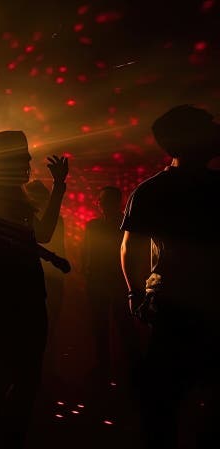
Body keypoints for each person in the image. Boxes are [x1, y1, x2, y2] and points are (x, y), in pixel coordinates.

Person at [121, 105, 220, 449]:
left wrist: (135, 294)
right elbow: (131, 248)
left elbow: (129, 248)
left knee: (164, 398)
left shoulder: (152, 190)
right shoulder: (161, 190)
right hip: (186, 305)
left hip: (173, 304)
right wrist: (136, 293)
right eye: (209, 127)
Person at [0, 130, 68, 449]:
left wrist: (58, 188)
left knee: (9, 374)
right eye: (22, 154)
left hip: (2, 294)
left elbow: (33, 238)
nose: (29, 159)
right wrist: (58, 188)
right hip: (12, 295)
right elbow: (38, 236)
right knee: (20, 376)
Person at [84, 186, 138, 388]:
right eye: (101, 201)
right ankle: (117, 368)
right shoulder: (95, 226)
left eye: (104, 201)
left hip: (115, 282)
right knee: (104, 326)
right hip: (102, 281)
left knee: (120, 326)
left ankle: (127, 368)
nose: (101, 204)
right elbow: (86, 252)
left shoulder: (120, 225)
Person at [25, 179, 66, 378]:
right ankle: (44, 368)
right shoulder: (48, 218)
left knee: (47, 324)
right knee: (44, 325)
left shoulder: (31, 217)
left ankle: (45, 367)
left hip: (45, 276)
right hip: (40, 276)